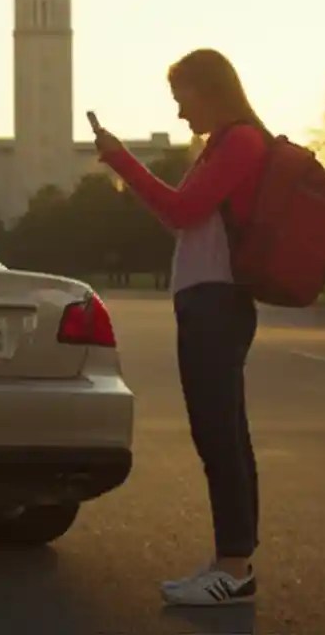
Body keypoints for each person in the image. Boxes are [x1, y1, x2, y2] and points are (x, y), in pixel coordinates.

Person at [94, 48, 267, 606]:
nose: (179, 114)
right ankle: (231, 563)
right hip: (204, 299)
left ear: (208, 89)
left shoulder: (240, 141)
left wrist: (122, 160)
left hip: (218, 300)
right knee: (220, 432)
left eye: (181, 99)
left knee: (220, 434)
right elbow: (180, 215)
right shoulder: (221, 146)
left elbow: (183, 208)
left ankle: (233, 568)